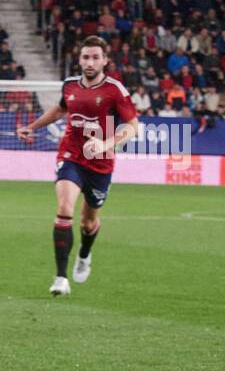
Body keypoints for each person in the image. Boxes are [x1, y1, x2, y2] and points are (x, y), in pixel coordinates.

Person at [17, 36, 140, 296]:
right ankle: (61, 278)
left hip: (100, 164)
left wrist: (105, 144)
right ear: (79, 59)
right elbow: (60, 110)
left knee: (88, 222)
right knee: (64, 208)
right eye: (86, 57)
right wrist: (32, 127)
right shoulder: (69, 85)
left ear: (105, 60)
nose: (90, 62)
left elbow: (133, 127)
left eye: (96, 57)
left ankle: (84, 254)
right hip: (71, 155)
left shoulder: (115, 90)